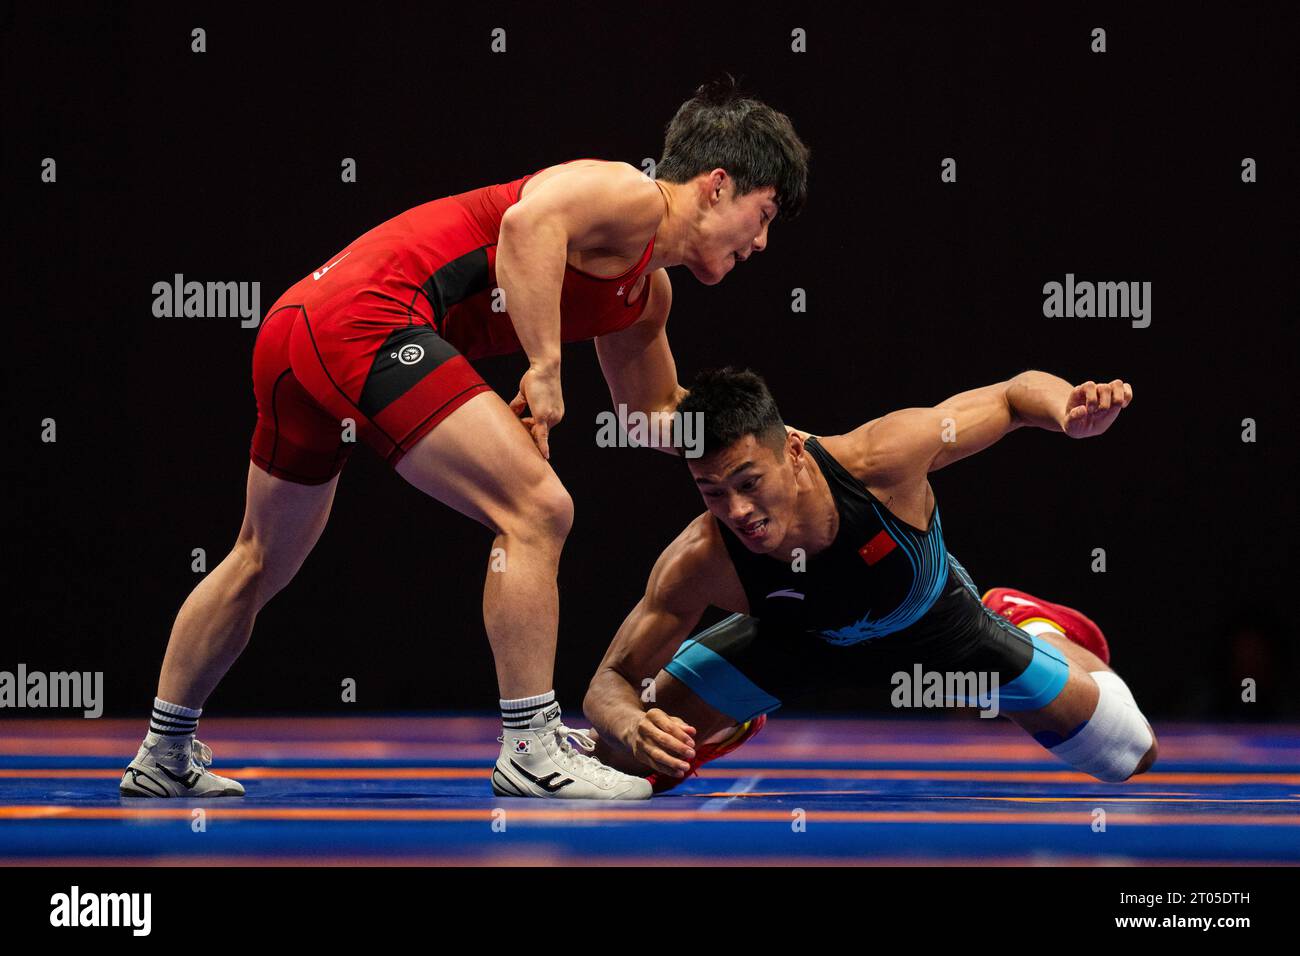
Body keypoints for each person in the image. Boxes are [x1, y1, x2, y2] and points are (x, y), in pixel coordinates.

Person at [120, 78, 810, 801]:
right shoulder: (629, 195)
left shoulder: (645, 297)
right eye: (761, 217)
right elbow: (526, 227)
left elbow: (652, 415)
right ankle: (531, 747)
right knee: (538, 509)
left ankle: (162, 753)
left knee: (260, 558)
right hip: (363, 319)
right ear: (716, 185)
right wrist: (544, 367)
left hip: (303, 332)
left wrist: (775, 442)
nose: (760, 243)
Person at [583, 368, 1157, 791]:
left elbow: (1010, 398)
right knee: (618, 762)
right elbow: (612, 678)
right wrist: (631, 723)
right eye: (712, 492)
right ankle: (730, 719)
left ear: (794, 451)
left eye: (749, 482)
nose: (737, 511)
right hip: (793, 646)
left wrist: (1067, 413)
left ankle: (1029, 622)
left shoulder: (884, 459)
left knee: (1129, 753)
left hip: (940, 630)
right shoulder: (701, 557)